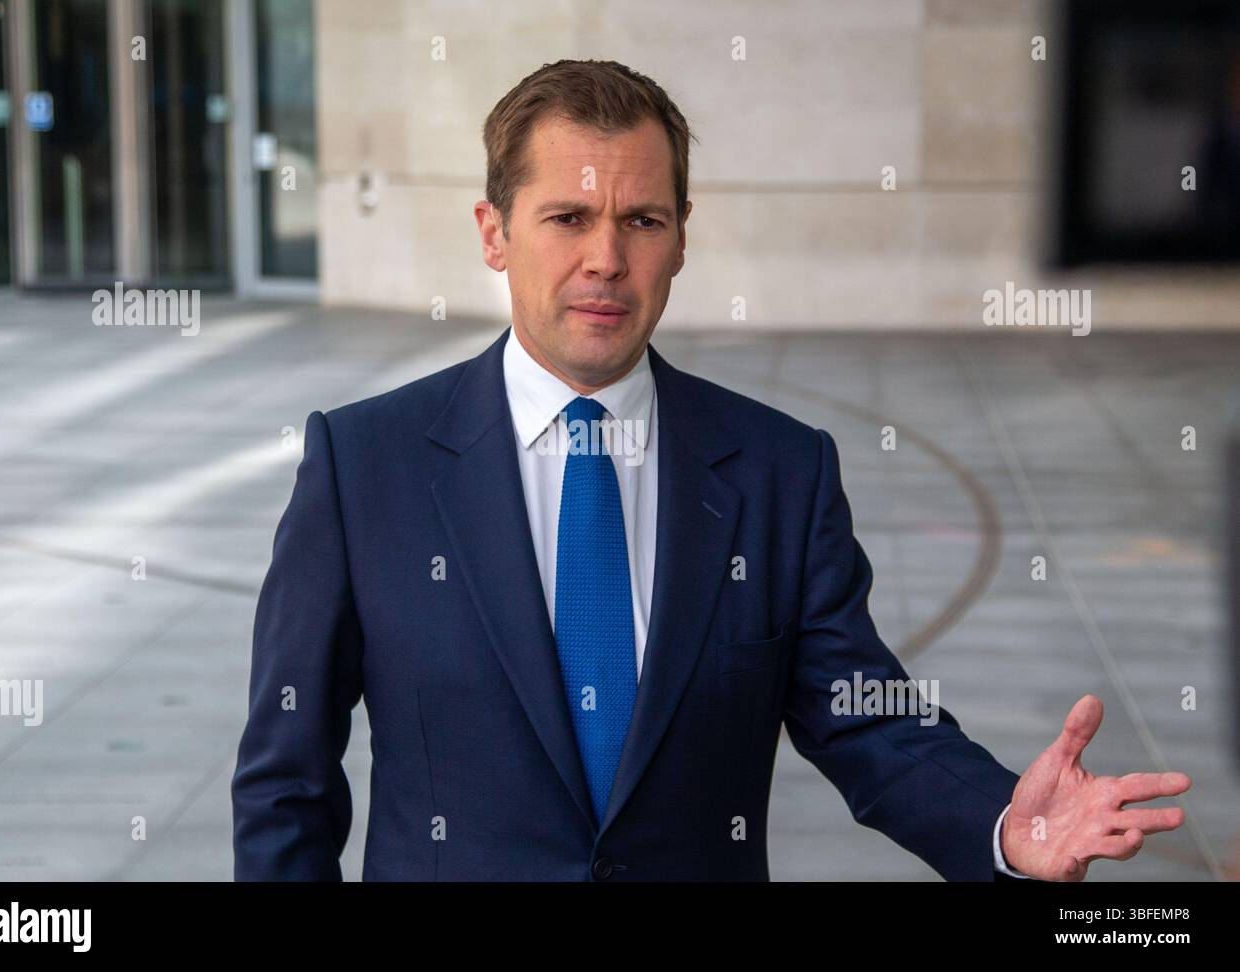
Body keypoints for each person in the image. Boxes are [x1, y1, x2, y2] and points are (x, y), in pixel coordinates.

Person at [231, 59, 1190, 881]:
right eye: (568, 217)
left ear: (682, 234)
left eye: (641, 220)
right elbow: (287, 782)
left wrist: (1002, 826)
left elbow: (863, 716)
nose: (606, 259)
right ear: (493, 231)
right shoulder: (364, 467)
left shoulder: (780, 472)